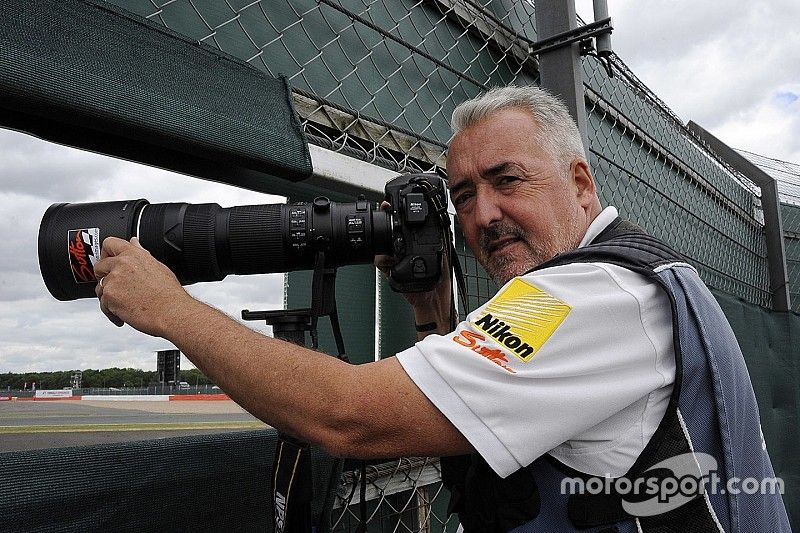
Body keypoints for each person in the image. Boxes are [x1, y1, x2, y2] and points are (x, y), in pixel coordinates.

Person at [93, 86, 789, 532]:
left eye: (507, 180)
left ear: (581, 183)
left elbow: (350, 415)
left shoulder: (584, 298)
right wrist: (433, 315)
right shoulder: (645, 274)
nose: (483, 215)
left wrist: (170, 308)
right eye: (463, 195)